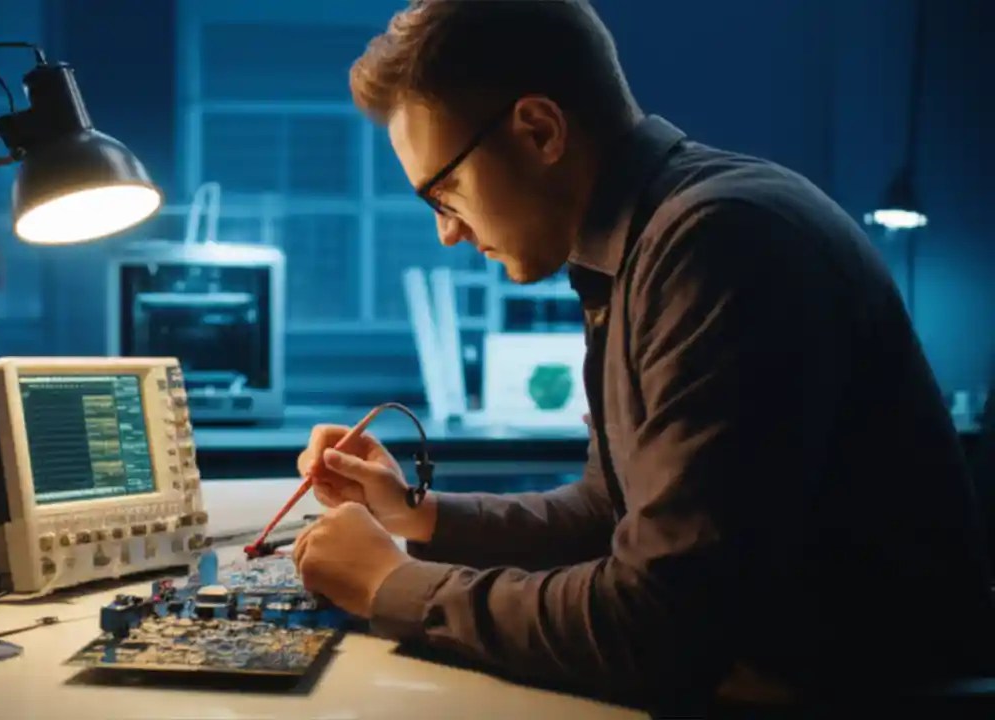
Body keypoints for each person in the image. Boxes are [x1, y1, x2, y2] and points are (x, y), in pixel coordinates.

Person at [288, 0, 995, 711]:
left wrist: (392, 585)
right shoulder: (644, 244)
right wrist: (417, 515)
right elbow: (610, 510)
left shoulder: (719, 244)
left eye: (444, 192)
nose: (446, 232)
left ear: (540, 130)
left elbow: (660, 623)